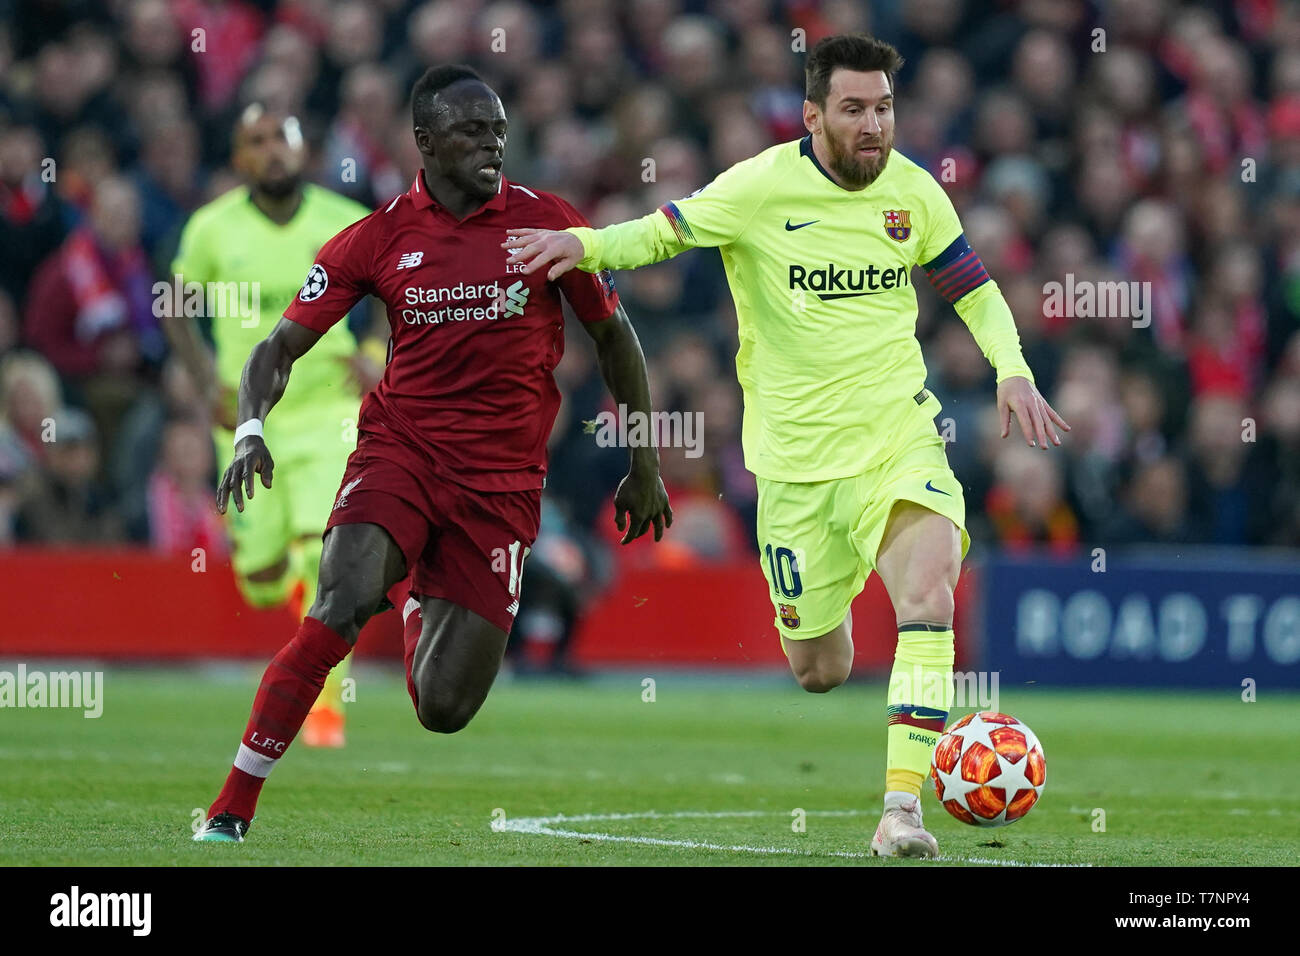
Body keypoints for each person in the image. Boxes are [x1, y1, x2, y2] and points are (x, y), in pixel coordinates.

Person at [505, 34, 1068, 859]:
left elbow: (973, 291)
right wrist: (584, 245)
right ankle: (839, 663)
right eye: (854, 109)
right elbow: (664, 233)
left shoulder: (915, 193)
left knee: (930, 596)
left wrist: (1011, 371)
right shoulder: (762, 186)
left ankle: (900, 812)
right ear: (814, 114)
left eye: (883, 107)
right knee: (819, 668)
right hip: (796, 471)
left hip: (897, 440)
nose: (874, 124)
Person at [193, 65, 671, 842]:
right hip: (399, 452)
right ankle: (231, 806)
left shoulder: (546, 223)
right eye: (473, 131)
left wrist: (643, 462)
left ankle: (420, 596)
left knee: (443, 709)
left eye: (500, 131)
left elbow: (615, 337)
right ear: (425, 143)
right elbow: (276, 348)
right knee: (338, 606)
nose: (493, 145)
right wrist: (249, 428)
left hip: (502, 484)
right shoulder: (377, 236)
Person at [167, 105, 379, 747]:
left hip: (326, 411)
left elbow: (399, 290)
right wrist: (206, 382)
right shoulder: (211, 228)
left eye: (283, 140)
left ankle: (322, 709)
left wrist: (373, 356)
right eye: (256, 143)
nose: (272, 152)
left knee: (323, 551)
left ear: (303, 150)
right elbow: (175, 304)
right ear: (240, 159)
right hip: (248, 414)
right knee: (261, 578)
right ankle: (276, 576)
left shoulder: (341, 221)